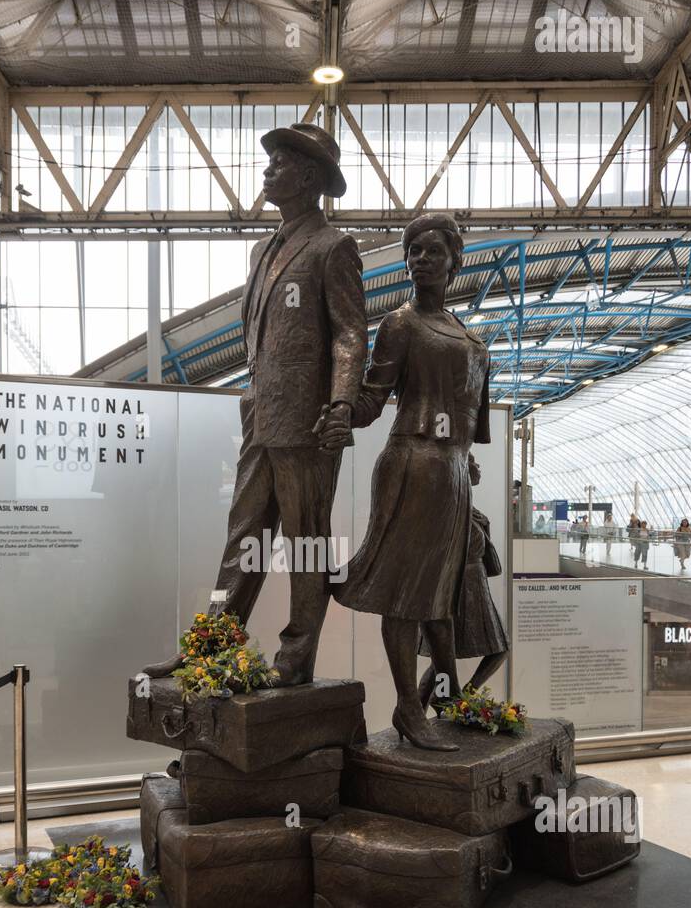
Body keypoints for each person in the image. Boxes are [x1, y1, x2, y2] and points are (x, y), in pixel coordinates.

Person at [143, 122, 367, 685]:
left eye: (281, 163)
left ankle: (296, 660)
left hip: (310, 423)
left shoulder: (333, 247)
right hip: (261, 418)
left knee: (307, 543)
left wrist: (341, 404)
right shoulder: (262, 250)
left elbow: (349, 333)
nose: (267, 171)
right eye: (268, 163)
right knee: (242, 537)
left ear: (311, 176)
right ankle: (212, 643)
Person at [321, 212, 490, 750]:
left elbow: (469, 426)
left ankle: (447, 697)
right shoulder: (400, 324)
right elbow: (374, 397)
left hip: (453, 475)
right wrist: (341, 412)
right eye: (413, 250)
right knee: (404, 594)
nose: (420, 258)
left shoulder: (474, 341)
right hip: (412, 465)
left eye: (432, 250)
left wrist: (466, 466)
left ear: (454, 261)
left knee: (439, 598)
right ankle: (407, 710)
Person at [417, 453, 509, 710]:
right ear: (460, 470)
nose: (478, 467)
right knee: (447, 654)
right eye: (473, 463)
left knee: (444, 657)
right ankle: (437, 702)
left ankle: (429, 702)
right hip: (459, 587)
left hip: (475, 585)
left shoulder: (466, 504)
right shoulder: (448, 506)